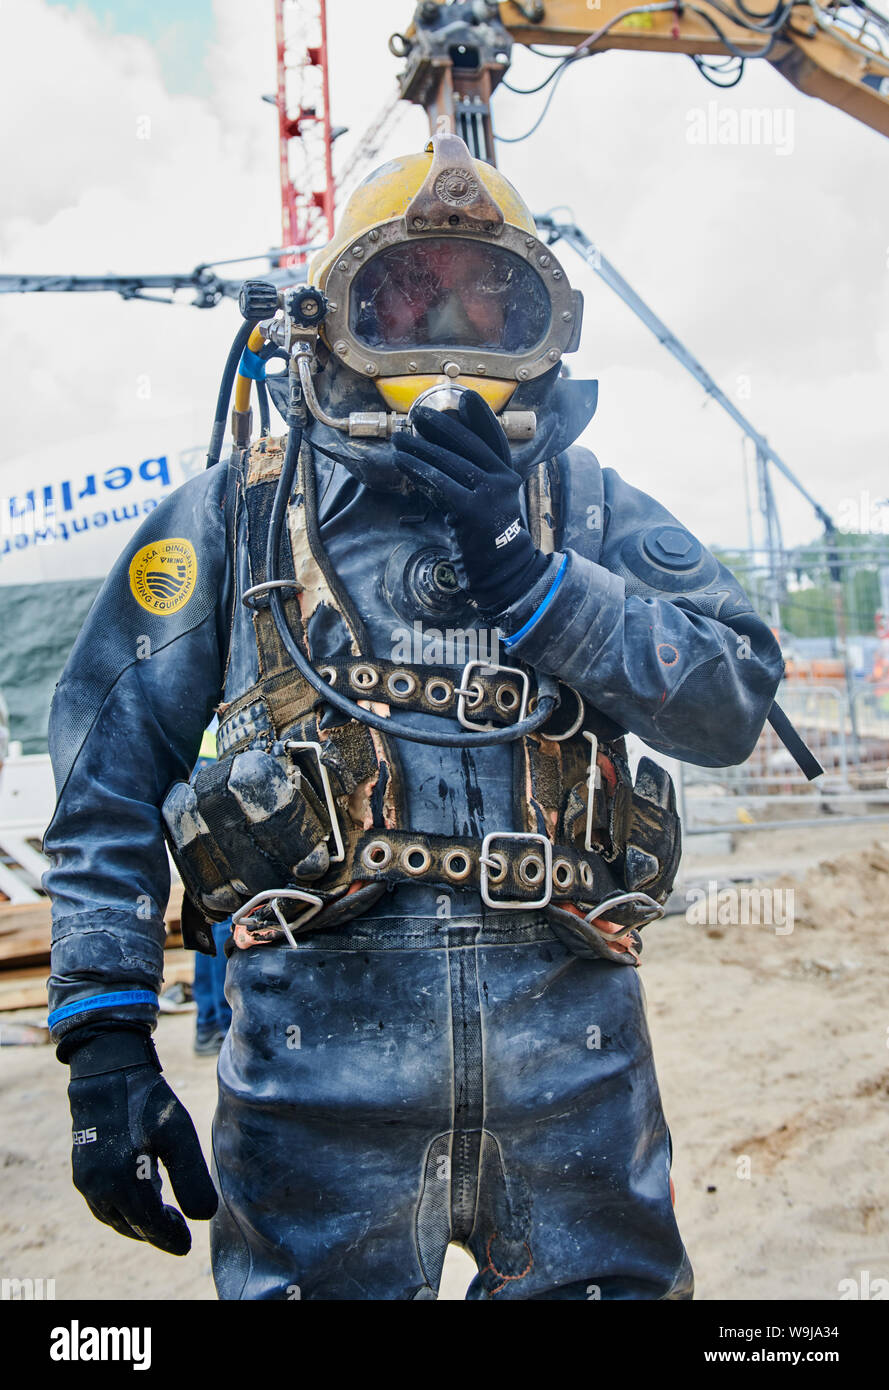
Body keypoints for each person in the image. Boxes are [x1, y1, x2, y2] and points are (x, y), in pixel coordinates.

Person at [43, 135, 783, 1298]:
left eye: (491, 303)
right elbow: (106, 777)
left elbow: (733, 696)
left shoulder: (585, 510)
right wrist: (104, 1038)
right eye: (408, 297)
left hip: (575, 1071)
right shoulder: (234, 516)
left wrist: (538, 583)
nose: (451, 336)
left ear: (544, 322)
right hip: (310, 1082)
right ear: (332, 314)